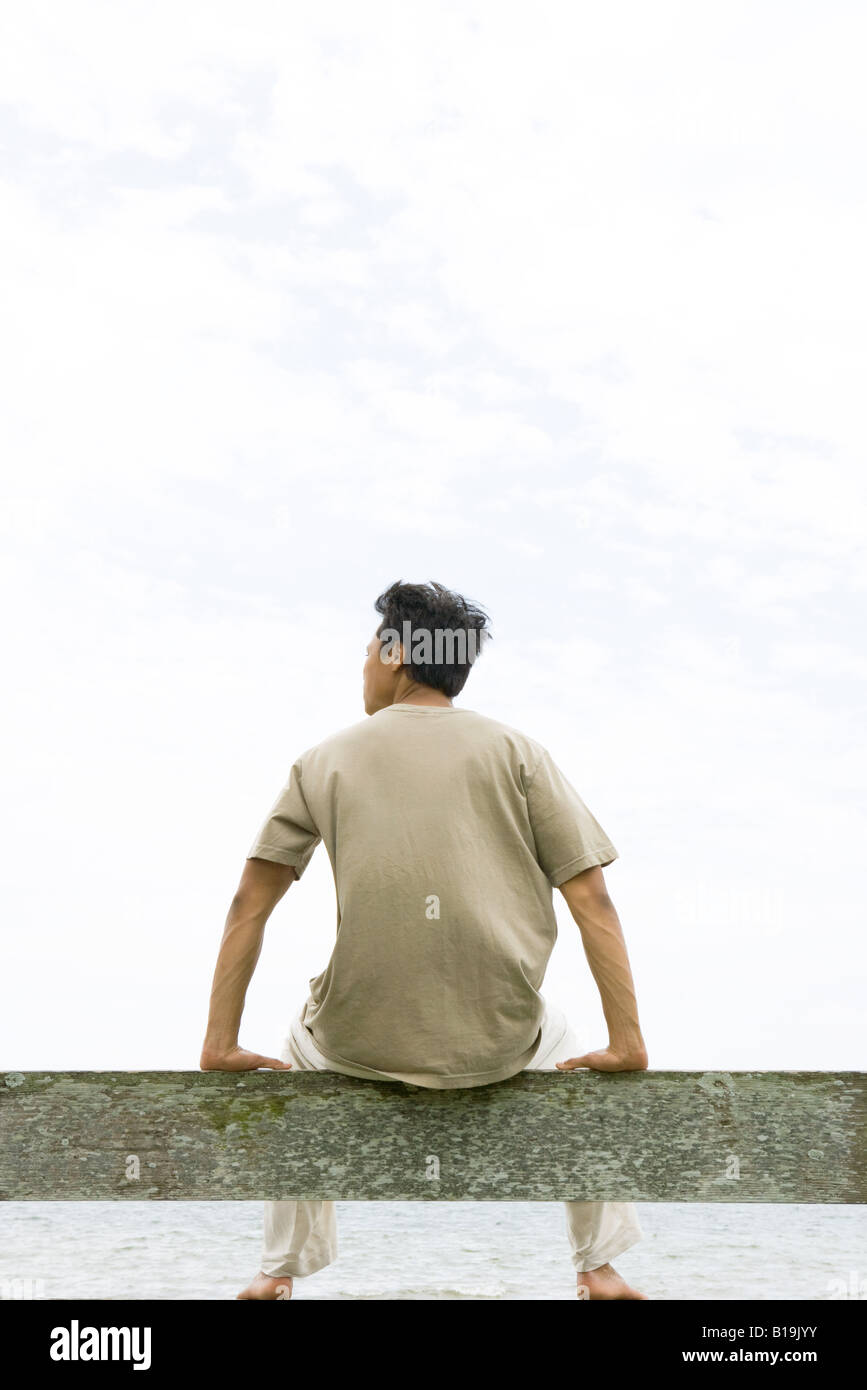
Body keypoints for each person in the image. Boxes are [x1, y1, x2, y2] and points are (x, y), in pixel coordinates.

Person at [200, 580, 649, 1300]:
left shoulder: (322, 760)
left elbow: (248, 903)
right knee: (563, 1038)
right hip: (499, 1043)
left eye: (368, 652)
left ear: (395, 652)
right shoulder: (519, 752)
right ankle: (597, 1265)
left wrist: (220, 1042)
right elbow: (591, 898)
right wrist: (626, 1043)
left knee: (293, 1046)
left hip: (357, 1042)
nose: (364, 668)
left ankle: (276, 1272)